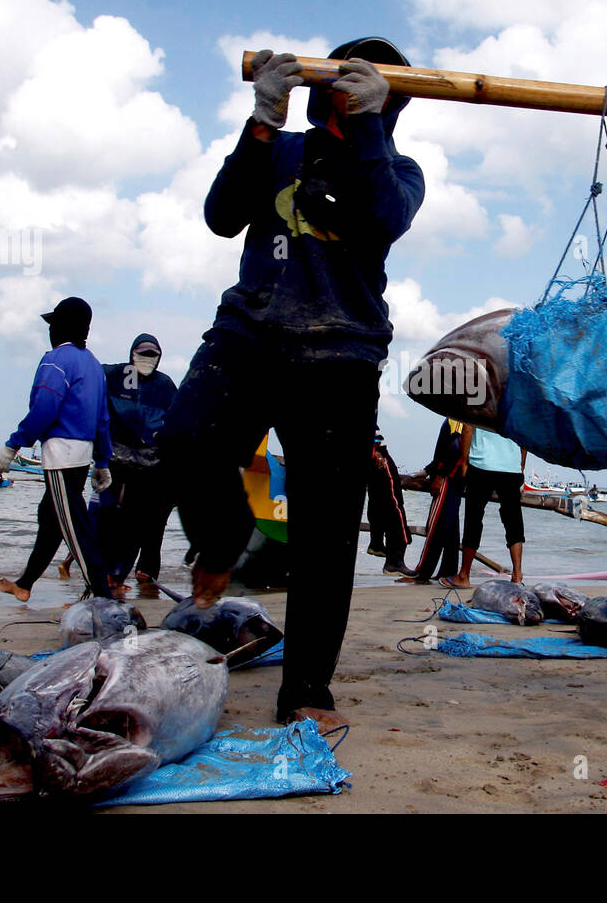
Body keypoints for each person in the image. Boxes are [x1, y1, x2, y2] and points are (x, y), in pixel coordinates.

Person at [157, 38, 424, 729]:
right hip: (250, 334)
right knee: (184, 440)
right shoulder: (280, 149)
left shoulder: (399, 169)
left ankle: (305, 689)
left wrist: (366, 124)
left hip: (342, 356)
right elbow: (221, 216)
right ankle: (223, 539)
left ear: (387, 102)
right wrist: (262, 121)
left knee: (326, 531)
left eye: (367, 89)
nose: (345, 95)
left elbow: (383, 218)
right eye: (341, 83)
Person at [0, 297, 115, 603]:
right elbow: (103, 418)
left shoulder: (55, 361)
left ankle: (100, 595)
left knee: (74, 525)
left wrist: (13, 444)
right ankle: (25, 583)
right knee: (51, 518)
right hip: (83, 453)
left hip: (60, 454)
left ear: (59, 328)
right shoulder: (94, 366)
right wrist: (102, 460)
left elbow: (44, 408)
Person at [98, 334, 177, 592]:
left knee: (137, 523)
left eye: (152, 355)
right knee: (106, 517)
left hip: (149, 466)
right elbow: (89, 374)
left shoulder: (164, 385)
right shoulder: (115, 374)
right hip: (114, 460)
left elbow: (179, 420)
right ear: (132, 353)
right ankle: (103, 573)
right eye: (142, 354)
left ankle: (120, 576)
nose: (146, 360)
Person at [443, 424, 525, 588]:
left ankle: (464, 575)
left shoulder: (478, 398)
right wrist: (520, 464)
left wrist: (465, 461)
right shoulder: (514, 399)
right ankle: (517, 574)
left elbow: (467, 428)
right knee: (513, 520)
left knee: (473, 519)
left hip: (481, 463)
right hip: (511, 466)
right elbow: (524, 433)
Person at [397, 417, 466, 584]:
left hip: (448, 477)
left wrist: (440, 475)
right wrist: (428, 470)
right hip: (456, 478)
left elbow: (456, 447)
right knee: (450, 527)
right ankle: (447, 571)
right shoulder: (461, 416)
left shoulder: (456, 417)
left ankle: (422, 573)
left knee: (436, 526)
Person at [365, 427, 415, 576]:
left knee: (377, 501)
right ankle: (395, 561)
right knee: (395, 509)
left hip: (374, 456)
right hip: (377, 455)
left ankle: (377, 542)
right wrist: (374, 451)